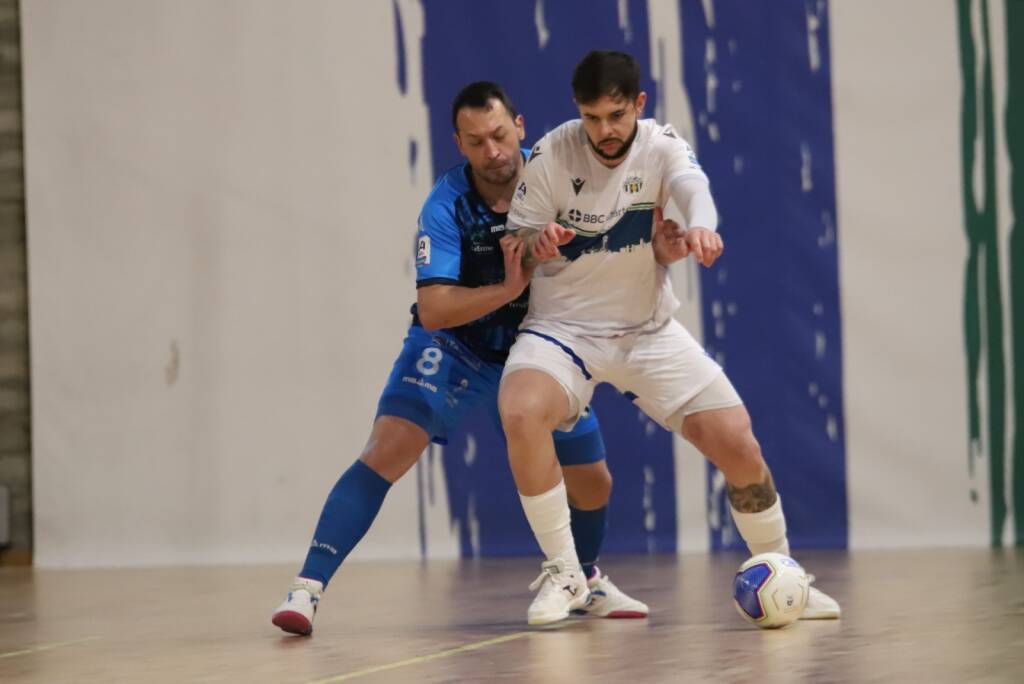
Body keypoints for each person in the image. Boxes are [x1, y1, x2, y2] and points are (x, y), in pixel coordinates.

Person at [271, 81, 648, 636]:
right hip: (454, 347)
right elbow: (434, 310)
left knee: (594, 482)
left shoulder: (561, 176)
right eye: (475, 142)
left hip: (537, 351)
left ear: (520, 127)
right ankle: (306, 590)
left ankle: (584, 580)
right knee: (387, 448)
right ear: (459, 144)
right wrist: (507, 288)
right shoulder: (446, 205)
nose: (491, 151)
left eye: (499, 135)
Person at [498, 50, 842, 625]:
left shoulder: (662, 144)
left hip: (647, 331)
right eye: (591, 118)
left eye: (615, 115)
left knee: (738, 443)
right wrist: (540, 244)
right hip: (563, 332)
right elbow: (517, 245)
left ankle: (785, 576)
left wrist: (701, 228)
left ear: (639, 104)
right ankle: (566, 574)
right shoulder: (552, 155)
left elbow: (693, 188)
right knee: (519, 409)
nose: (604, 131)